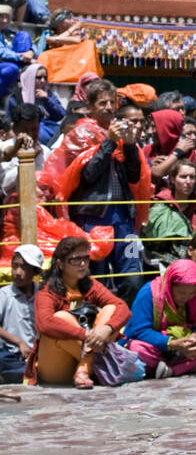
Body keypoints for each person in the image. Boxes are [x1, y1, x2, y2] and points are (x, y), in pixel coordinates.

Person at [56, 79, 151, 303]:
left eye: (111, 103)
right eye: (102, 103)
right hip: (92, 216)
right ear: (90, 107)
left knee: (131, 277)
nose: (108, 107)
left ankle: (124, 324)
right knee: (94, 276)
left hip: (122, 216)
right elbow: (88, 174)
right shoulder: (81, 135)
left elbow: (134, 176)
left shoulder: (121, 130)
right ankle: (98, 324)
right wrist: (108, 142)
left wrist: (128, 145)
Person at [26, 236, 131, 388]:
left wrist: (106, 329)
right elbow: (45, 323)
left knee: (111, 309)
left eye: (86, 258)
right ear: (60, 264)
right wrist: (86, 335)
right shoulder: (47, 292)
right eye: (75, 259)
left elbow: (122, 307)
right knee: (61, 318)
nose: (82, 264)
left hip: (85, 355)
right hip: (56, 367)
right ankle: (88, 365)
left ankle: (84, 368)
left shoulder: (90, 285)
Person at [125, 258, 196, 378]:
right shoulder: (149, 293)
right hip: (160, 347)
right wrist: (173, 344)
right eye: (182, 293)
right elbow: (140, 330)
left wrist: (195, 337)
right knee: (136, 348)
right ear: (169, 285)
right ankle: (191, 366)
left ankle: (171, 370)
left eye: (191, 293)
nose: (187, 298)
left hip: (186, 347)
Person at [144, 160, 196, 266]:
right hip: (165, 263)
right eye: (183, 177)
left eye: (192, 177)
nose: (188, 182)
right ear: (172, 179)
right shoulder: (159, 205)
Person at [0, 246, 43, 383]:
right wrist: (18, 342)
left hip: (35, 354)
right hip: (10, 353)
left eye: (23, 268)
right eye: (15, 267)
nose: (18, 272)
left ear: (34, 271)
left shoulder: (41, 295)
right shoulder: (5, 295)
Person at [0, 5, 34, 98]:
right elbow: (2, 52)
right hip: (3, 61)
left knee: (24, 34)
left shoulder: (11, 32)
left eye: (7, 17)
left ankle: (24, 68)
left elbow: (32, 45)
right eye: (1, 17)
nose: (4, 21)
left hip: (17, 60)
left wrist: (31, 52)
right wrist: (21, 57)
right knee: (11, 69)